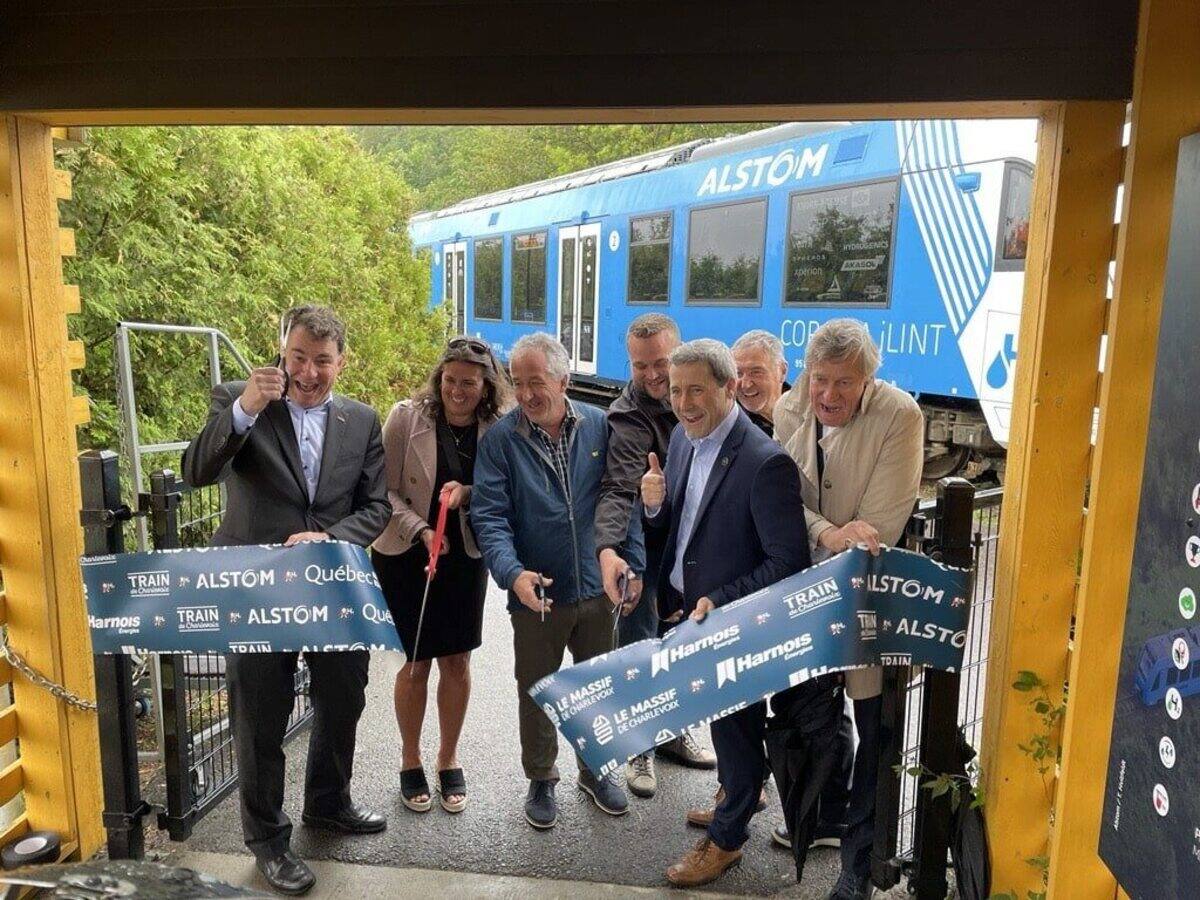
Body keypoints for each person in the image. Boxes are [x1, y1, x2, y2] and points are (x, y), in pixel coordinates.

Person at [183, 306, 390, 897]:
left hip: (331, 587)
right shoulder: (238, 399)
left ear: (341, 363)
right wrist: (246, 407)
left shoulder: (361, 420)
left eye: (322, 361)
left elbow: (375, 506)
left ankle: (328, 803)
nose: (308, 372)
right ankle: (268, 841)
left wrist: (332, 537)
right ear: (281, 352)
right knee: (259, 716)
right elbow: (196, 471)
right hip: (256, 590)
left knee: (344, 697)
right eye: (298, 357)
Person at [640, 338, 809, 887]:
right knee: (721, 721)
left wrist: (723, 599)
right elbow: (682, 527)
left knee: (736, 728)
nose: (684, 403)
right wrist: (653, 506)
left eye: (697, 391)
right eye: (677, 390)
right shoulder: (685, 442)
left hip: (732, 621)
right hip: (691, 612)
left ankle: (728, 839)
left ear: (730, 387)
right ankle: (737, 799)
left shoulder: (767, 463)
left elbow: (788, 561)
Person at [774, 318, 924, 900]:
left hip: (867, 602)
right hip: (804, 598)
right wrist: (829, 533)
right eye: (820, 379)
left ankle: (858, 867)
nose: (829, 395)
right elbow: (782, 503)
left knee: (877, 734)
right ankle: (818, 824)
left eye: (845, 382)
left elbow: (880, 526)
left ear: (868, 380)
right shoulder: (791, 411)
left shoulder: (900, 416)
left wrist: (838, 538)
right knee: (806, 722)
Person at [471, 332, 645, 831]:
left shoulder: (598, 426)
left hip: (598, 587)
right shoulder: (502, 440)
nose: (525, 393)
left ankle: (594, 770)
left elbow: (621, 499)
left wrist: (631, 564)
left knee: (595, 687)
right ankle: (542, 777)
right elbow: (490, 517)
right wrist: (511, 574)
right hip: (537, 592)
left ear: (564, 380)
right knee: (538, 688)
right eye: (518, 382)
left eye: (537, 381)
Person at [371, 336, 511, 816]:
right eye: (450, 380)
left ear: (485, 385)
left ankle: (448, 756)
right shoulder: (406, 417)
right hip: (408, 553)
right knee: (414, 663)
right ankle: (410, 759)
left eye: (469, 383)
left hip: (465, 556)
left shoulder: (499, 427)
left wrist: (468, 494)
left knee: (456, 662)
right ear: (440, 379)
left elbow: (506, 488)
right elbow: (383, 493)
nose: (458, 390)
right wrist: (422, 529)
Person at [595, 313, 716, 800]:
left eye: (660, 363)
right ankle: (637, 742)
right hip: (644, 550)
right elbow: (619, 489)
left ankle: (668, 732)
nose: (651, 376)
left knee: (682, 647)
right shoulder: (628, 417)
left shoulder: (700, 389)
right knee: (639, 647)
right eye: (640, 365)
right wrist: (618, 555)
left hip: (689, 548)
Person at [731, 329, 790, 436]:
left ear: (782, 371)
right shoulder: (728, 424)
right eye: (738, 373)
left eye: (756, 372)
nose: (745, 385)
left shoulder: (809, 411)